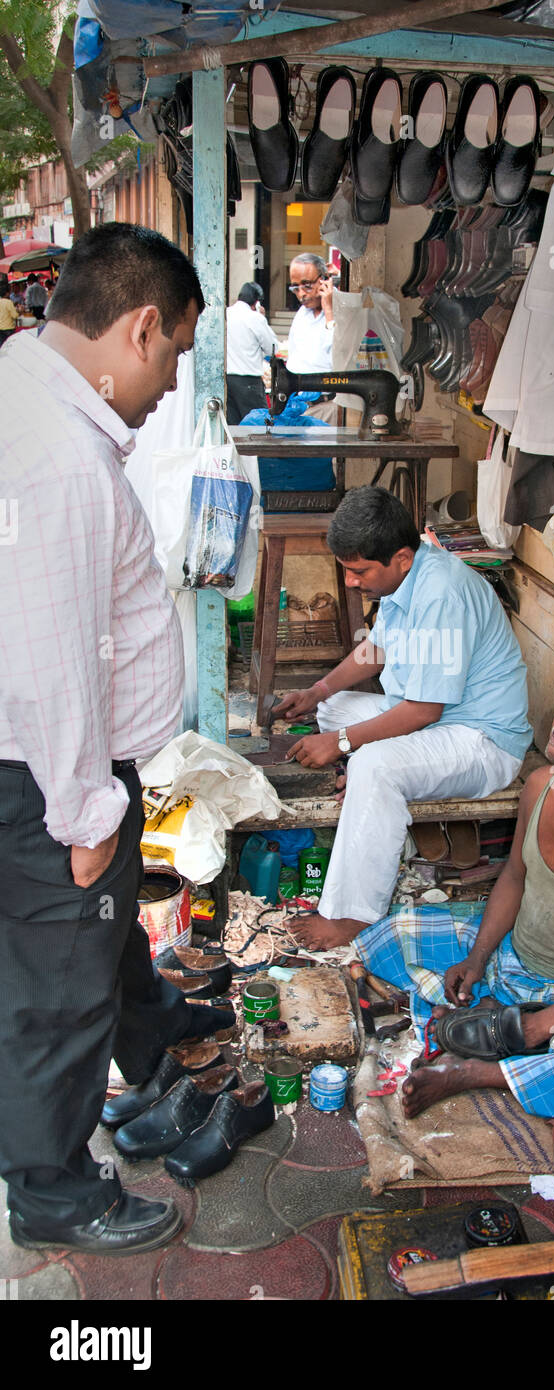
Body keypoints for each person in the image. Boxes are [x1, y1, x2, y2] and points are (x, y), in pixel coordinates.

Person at [0, 222, 230, 1258]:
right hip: (50, 772)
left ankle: (147, 1031)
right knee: (56, 989)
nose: (172, 382)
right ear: (140, 328)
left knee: (102, 931)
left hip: (55, 761)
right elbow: (50, 653)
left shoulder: (28, 394)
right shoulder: (57, 459)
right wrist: (86, 809)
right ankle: (53, 1190)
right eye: (177, 353)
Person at [355, 658, 554, 1122]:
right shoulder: (541, 784)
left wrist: (541, 1024)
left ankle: (478, 1072)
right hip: (513, 961)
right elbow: (514, 877)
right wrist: (478, 957)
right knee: (391, 933)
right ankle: (498, 1015)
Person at [276, 486, 532, 949]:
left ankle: (352, 914)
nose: (351, 582)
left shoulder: (442, 595)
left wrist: (344, 745)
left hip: (481, 740)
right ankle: (365, 771)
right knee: (334, 708)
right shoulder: (406, 579)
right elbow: (375, 650)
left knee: (372, 765)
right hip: (434, 722)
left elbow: (423, 710)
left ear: (401, 557)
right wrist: (316, 691)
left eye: (358, 572)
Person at [225, 280, 278, 425]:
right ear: (257, 302)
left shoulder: (226, 314)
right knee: (259, 427)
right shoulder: (255, 318)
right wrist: (262, 317)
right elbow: (273, 348)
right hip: (249, 381)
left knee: (233, 427)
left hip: (227, 380)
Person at [285, 252, 336, 373]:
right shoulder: (302, 314)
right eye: (296, 288)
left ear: (324, 279)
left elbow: (339, 356)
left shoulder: (341, 309)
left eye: (307, 285)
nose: (301, 294)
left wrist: (329, 311)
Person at [0, 279, 18, 345]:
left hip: (0, 328)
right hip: (9, 328)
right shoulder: (9, 302)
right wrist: (19, 311)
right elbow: (15, 315)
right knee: (10, 345)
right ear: (7, 293)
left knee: (2, 346)